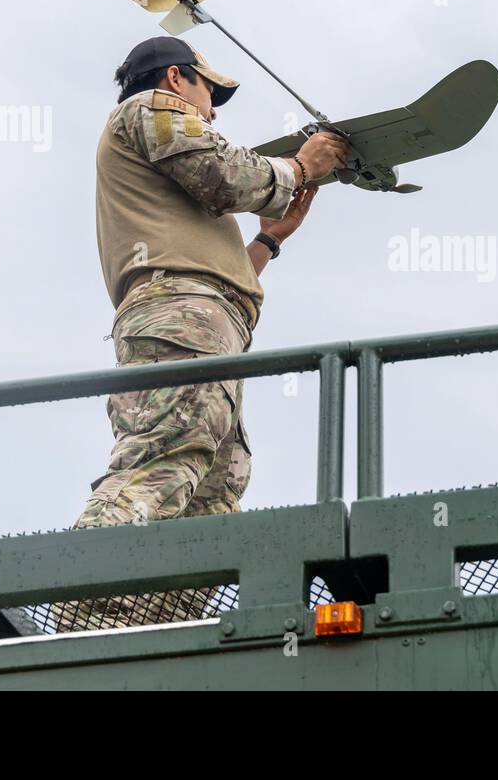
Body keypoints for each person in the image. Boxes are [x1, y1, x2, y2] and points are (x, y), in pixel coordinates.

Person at [52, 36, 347, 632]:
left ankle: (159, 631)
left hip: (207, 322)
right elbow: (224, 173)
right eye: (210, 92)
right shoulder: (149, 108)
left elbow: (215, 267)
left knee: (214, 489)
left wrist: (269, 240)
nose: (211, 111)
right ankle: (84, 611)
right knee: (165, 455)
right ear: (177, 79)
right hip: (180, 317)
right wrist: (300, 167)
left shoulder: (160, 144)